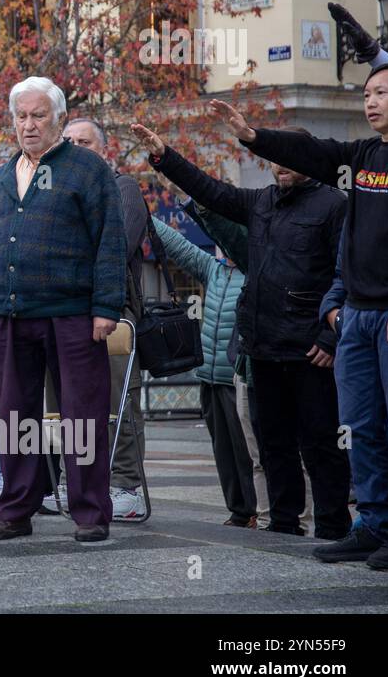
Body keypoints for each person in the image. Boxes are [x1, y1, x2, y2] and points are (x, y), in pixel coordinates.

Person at [204, 2, 388, 567]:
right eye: (367, 93)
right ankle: (377, 524)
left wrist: (374, 52)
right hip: (356, 317)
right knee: (362, 429)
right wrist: (255, 137)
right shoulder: (363, 157)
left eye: (381, 92)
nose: (369, 100)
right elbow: (313, 151)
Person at [132, 119, 351, 540]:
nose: (281, 164)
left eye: (290, 156)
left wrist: (330, 336)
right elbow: (211, 191)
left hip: (309, 350)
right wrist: (164, 158)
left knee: (321, 444)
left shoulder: (334, 205)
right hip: (262, 346)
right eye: (275, 157)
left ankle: (332, 527)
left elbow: (346, 274)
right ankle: (283, 524)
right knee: (272, 444)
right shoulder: (261, 202)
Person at [0, 78, 126, 543]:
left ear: (58, 118)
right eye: (22, 116)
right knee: (15, 418)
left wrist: (106, 306)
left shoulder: (87, 169)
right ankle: (15, 509)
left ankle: (91, 513)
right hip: (10, 316)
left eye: (38, 115)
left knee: (82, 417)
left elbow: (110, 240)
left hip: (72, 314)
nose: (29, 124)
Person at [65, 117, 149, 520]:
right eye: (69, 141)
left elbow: (115, 247)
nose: (75, 147)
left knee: (119, 403)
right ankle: (75, 482)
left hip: (113, 313)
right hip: (65, 314)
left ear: (103, 149)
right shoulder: (58, 189)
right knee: (70, 406)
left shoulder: (123, 188)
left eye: (84, 141)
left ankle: (126, 485)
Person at [149, 213, 257, 527]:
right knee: (223, 450)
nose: (222, 248)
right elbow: (177, 245)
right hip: (208, 376)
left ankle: (254, 509)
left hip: (234, 379)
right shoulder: (214, 269)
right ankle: (238, 509)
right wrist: (146, 216)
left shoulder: (252, 272)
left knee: (245, 450)